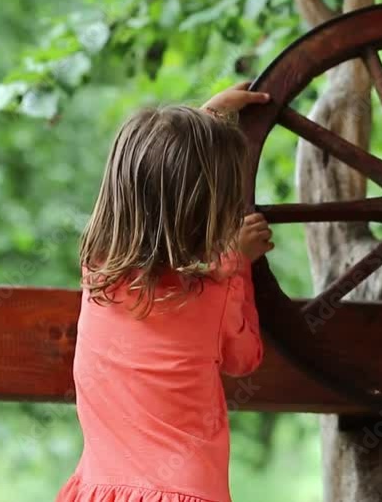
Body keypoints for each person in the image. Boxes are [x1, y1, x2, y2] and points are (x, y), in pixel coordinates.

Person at [57, 83, 275, 502]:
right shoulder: (213, 293)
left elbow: (157, 181)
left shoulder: (99, 274)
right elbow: (244, 358)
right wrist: (237, 262)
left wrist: (207, 116)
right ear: (205, 211)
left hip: (101, 489)